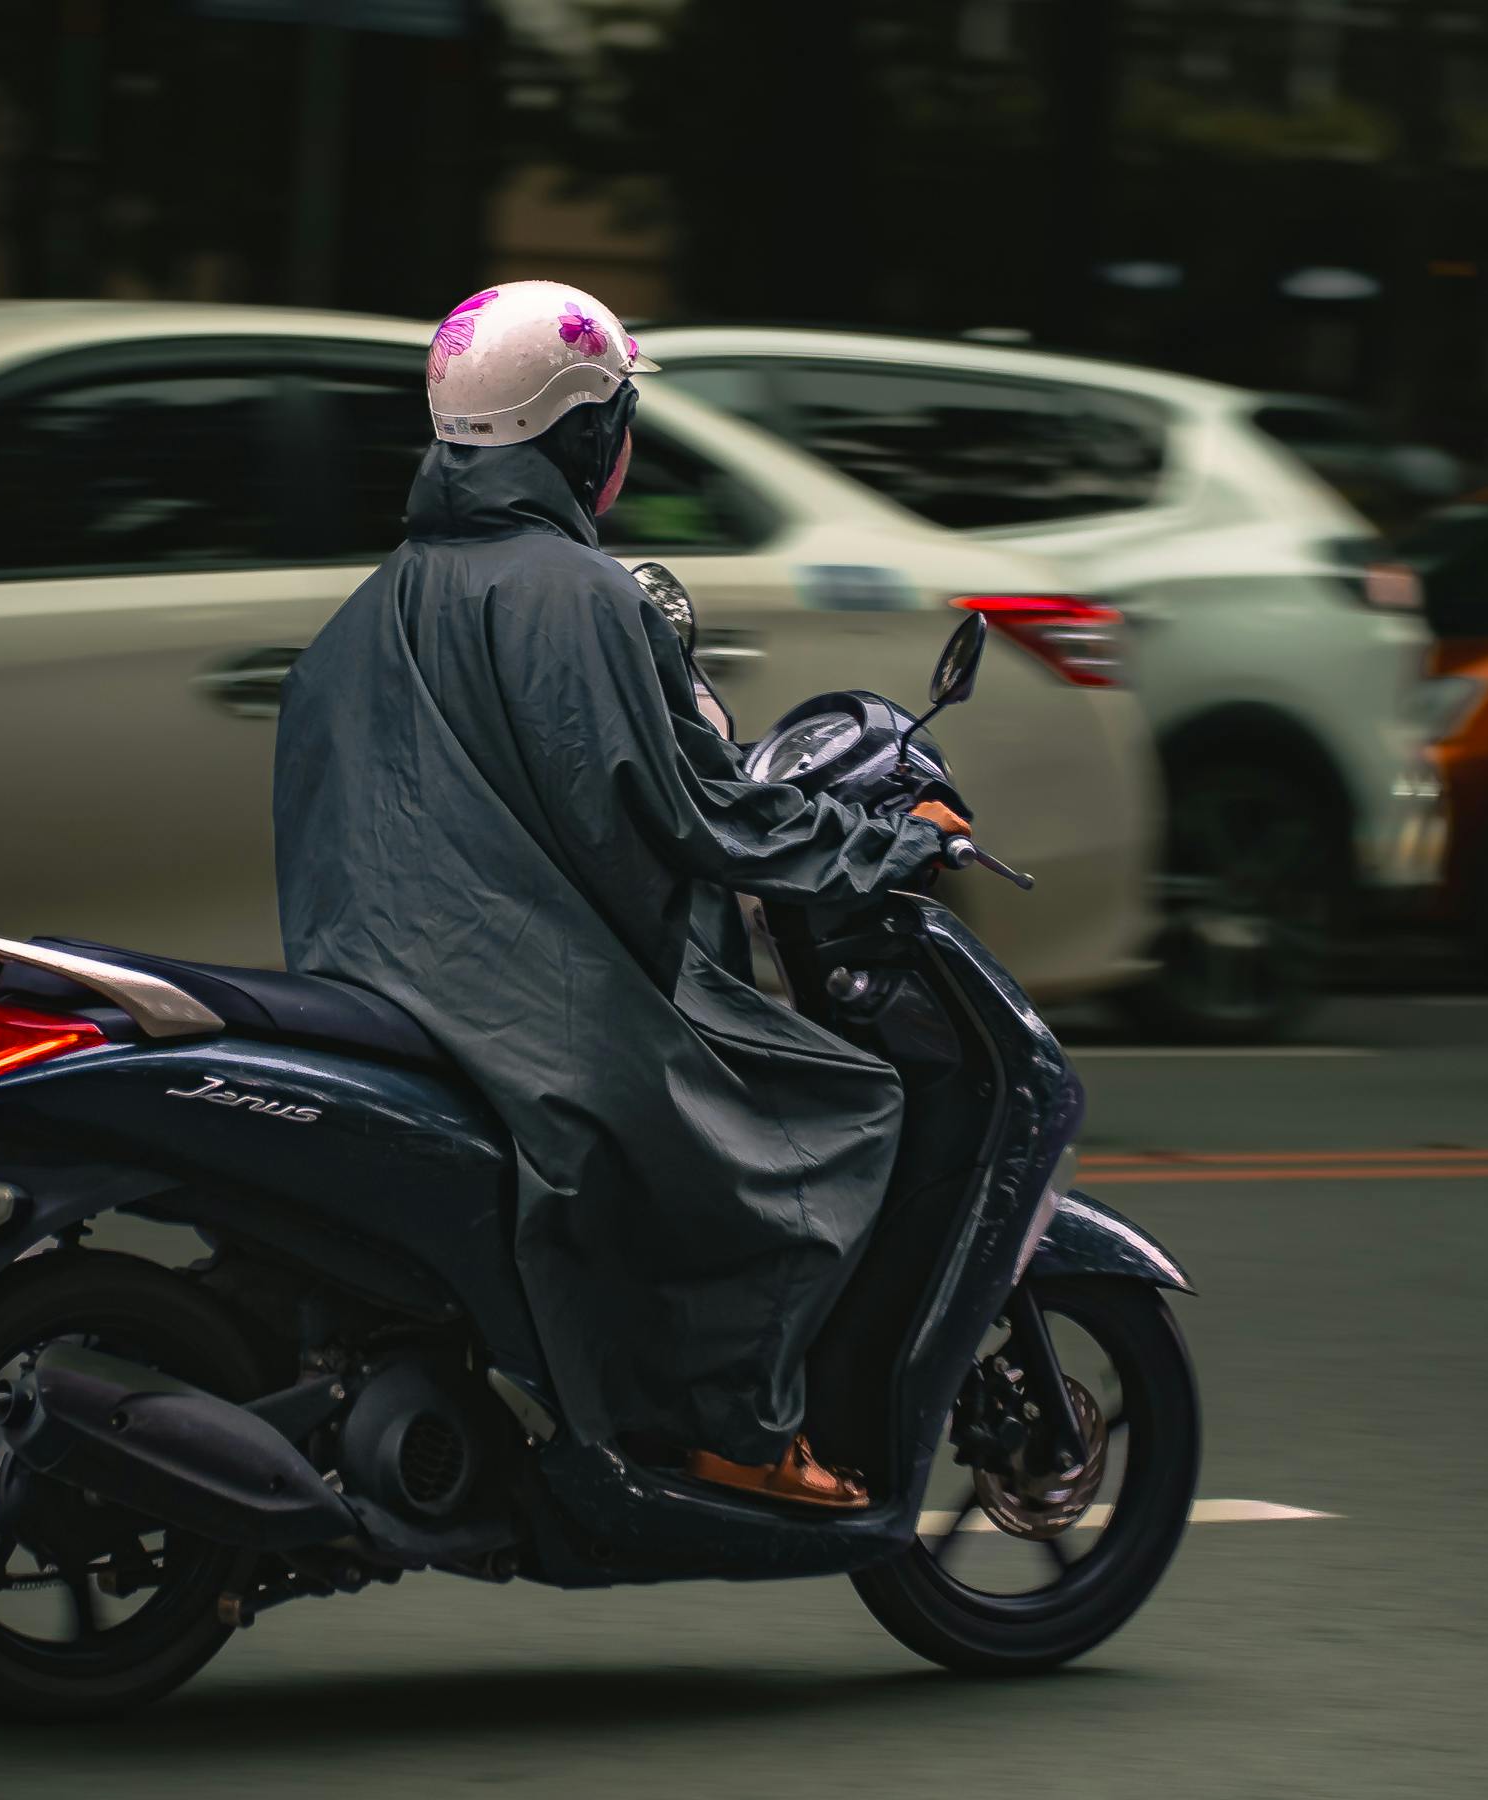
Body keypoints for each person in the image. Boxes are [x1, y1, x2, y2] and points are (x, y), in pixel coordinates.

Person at [272, 281, 968, 1509]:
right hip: (522, 1005)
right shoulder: (582, 598)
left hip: (375, 992)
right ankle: (735, 1427)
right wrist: (890, 847)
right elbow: (694, 816)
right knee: (836, 1107)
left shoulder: (364, 614)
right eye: (620, 418)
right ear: (588, 434)